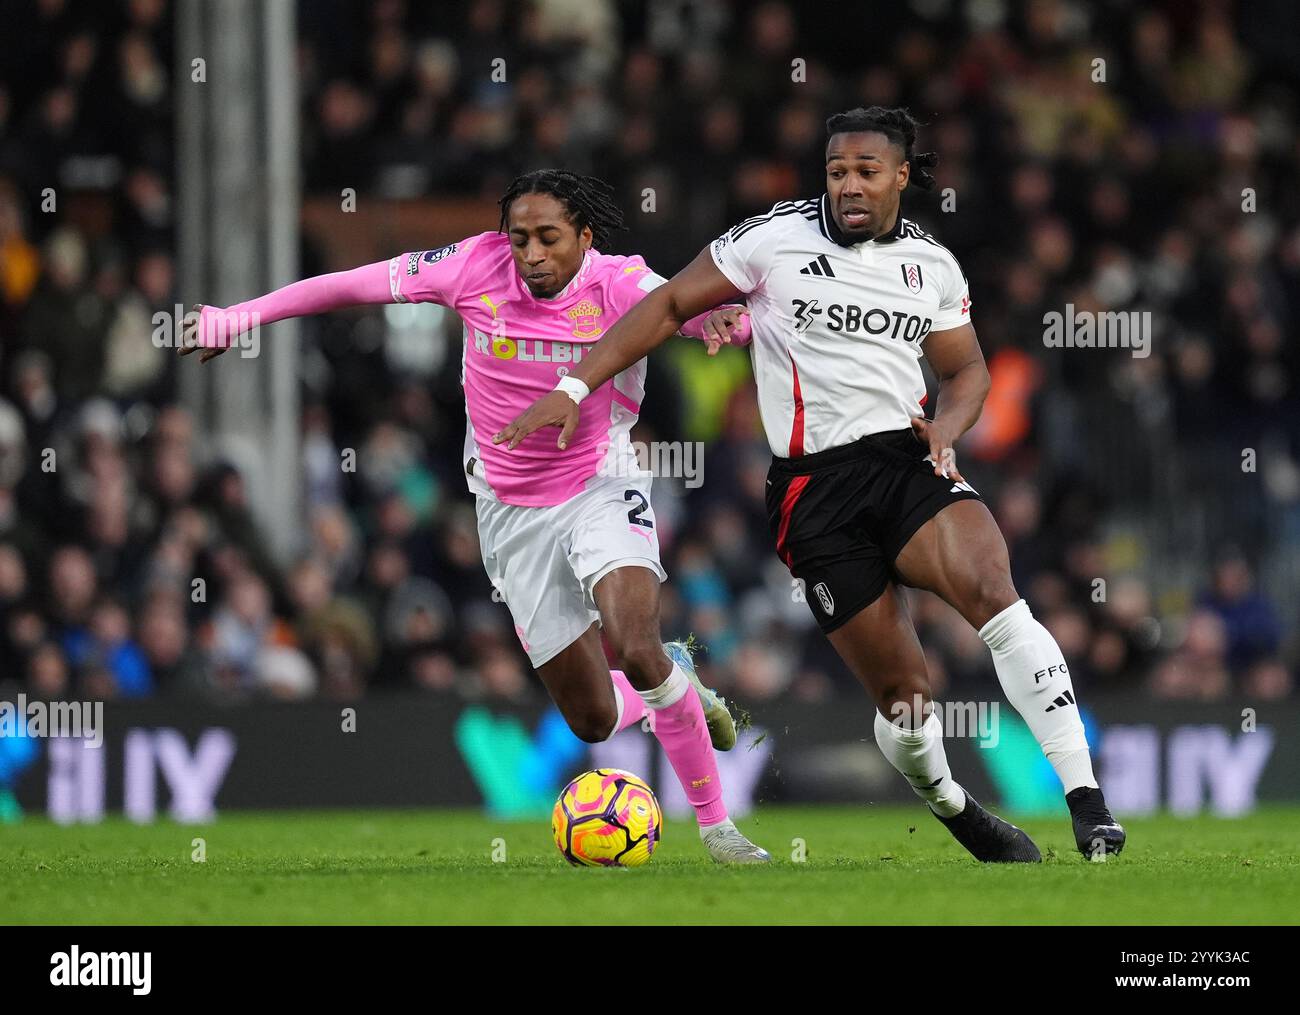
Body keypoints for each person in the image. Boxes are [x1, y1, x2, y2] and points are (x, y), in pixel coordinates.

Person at [493, 111, 1127, 863]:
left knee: (995, 591)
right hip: (812, 491)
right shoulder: (769, 240)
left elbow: (968, 371)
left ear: (899, 176)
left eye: (865, 171)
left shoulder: (933, 265)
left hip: (906, 463)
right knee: (907, 702)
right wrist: (574, 384)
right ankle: (955, 805)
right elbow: (664, 306)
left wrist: (950, 426)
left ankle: (1088, 803)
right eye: (836, 172)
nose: (849, 187)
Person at [180, 170, 770, 863]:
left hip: (600, 482)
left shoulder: (617, 282)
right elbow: (348, 285)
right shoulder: (471, 267)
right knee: (593, 716)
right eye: (520, 238)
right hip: (510, 510)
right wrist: (241, 315)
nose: (533, 254)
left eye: (550, 237)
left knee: (633, 643)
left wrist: (714, 317)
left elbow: (673, 305)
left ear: (584, 236)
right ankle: (678, 680)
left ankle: (718, 827)